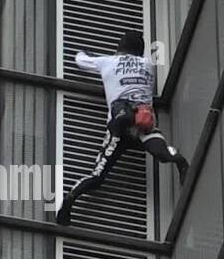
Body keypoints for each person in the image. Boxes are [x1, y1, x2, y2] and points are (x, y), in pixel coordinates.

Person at [56, 30, 189, 225]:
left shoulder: (107, 62)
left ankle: (69, 200)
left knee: (97, 176)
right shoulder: (149, 65)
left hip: (120, 126)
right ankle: (179, 159)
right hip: (145, 125)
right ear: (140, 52)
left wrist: (82, 51)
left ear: (119, 49)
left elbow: (80, 61)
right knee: (162, 153)